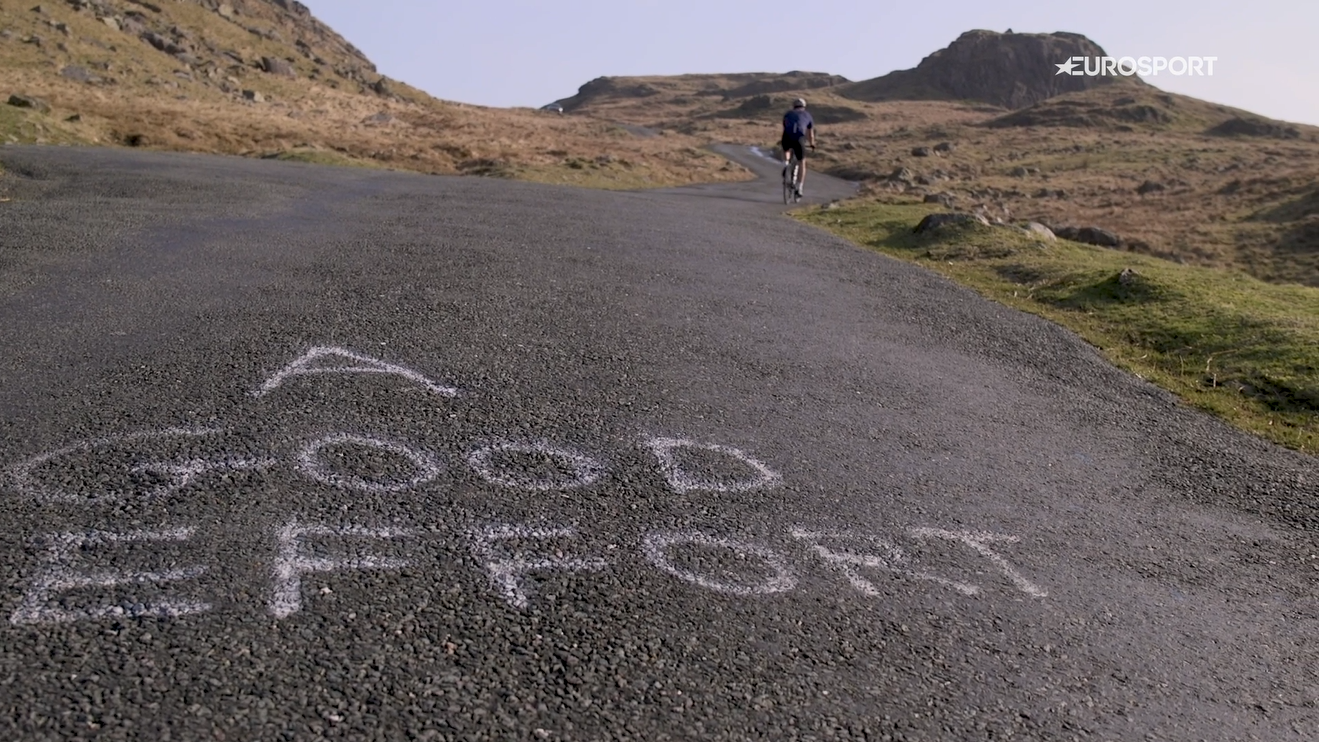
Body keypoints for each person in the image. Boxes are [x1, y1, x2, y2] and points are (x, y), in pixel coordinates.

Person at [781, 98, 816, 198]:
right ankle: (799, 187)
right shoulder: (807, 115)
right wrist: (812, 144)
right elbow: (810, 134)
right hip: (799, 138)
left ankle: (786, 164)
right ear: (804, 106)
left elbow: (785, 126)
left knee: (786, 150)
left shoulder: (788, 114)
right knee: (802, 162)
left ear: (794, 106)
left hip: (787, 136)